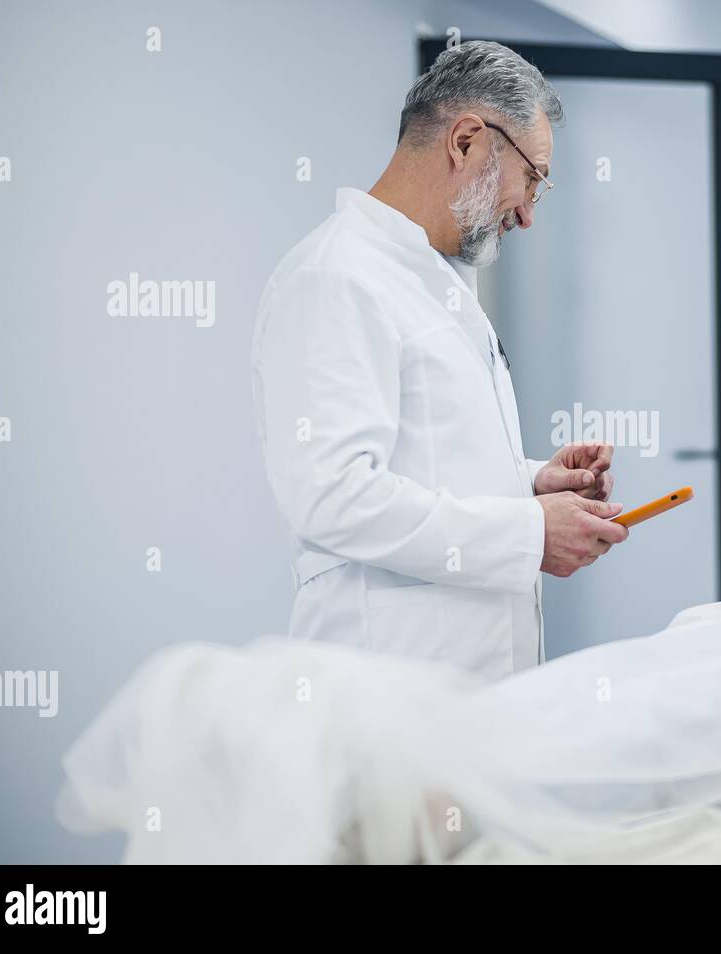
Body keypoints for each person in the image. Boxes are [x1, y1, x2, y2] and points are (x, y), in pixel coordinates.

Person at [57, 554, 721, 862]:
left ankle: (418, 802)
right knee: (557, 702)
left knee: (654, 737)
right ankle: (387, 772)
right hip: (692, 648)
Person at [251, 41, 626, 681]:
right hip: (386, 690)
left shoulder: (436, 279)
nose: (530, 215)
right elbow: (334, 496)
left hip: (469, 689)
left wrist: (533, 482)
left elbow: (429, 457)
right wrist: (527, 533)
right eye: (533, 178)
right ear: (465, 141)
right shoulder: (334, 276)